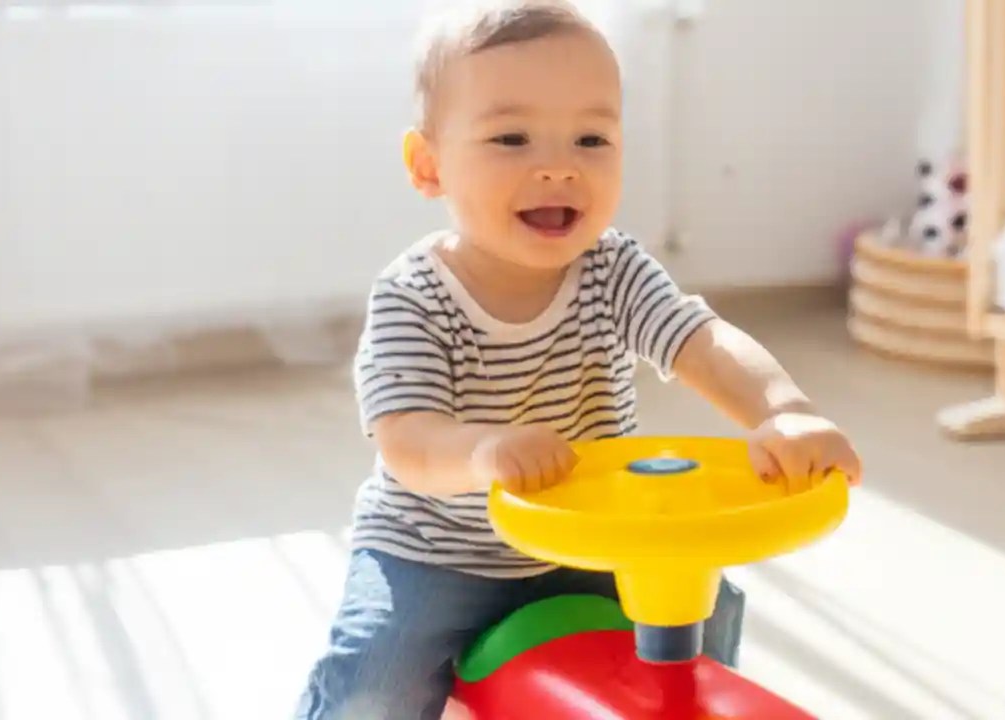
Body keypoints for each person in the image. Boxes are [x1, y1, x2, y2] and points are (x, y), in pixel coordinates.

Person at [294, 1, 862, 717]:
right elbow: (407, 441)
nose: (559, 167)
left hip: (593, 542)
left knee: (707, 610)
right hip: (439, 553)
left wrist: (783, 413)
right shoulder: (414, 296)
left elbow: (700, 341)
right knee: (374, 679)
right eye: (511, 138)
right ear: (428, 164)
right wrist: (485, 452)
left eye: (591, 138)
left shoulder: (610, 268)